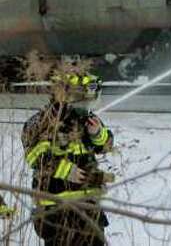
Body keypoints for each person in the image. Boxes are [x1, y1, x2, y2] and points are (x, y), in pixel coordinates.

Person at [21, 70, 114, 246]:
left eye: (90, 100)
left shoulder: (87, 118)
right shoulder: (41, 121)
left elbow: (106, 146)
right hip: (55, 207)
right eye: (82, 99)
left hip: (88, 205)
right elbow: (34, 156)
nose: (87, 104)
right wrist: (65, 170)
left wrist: (97, 134)